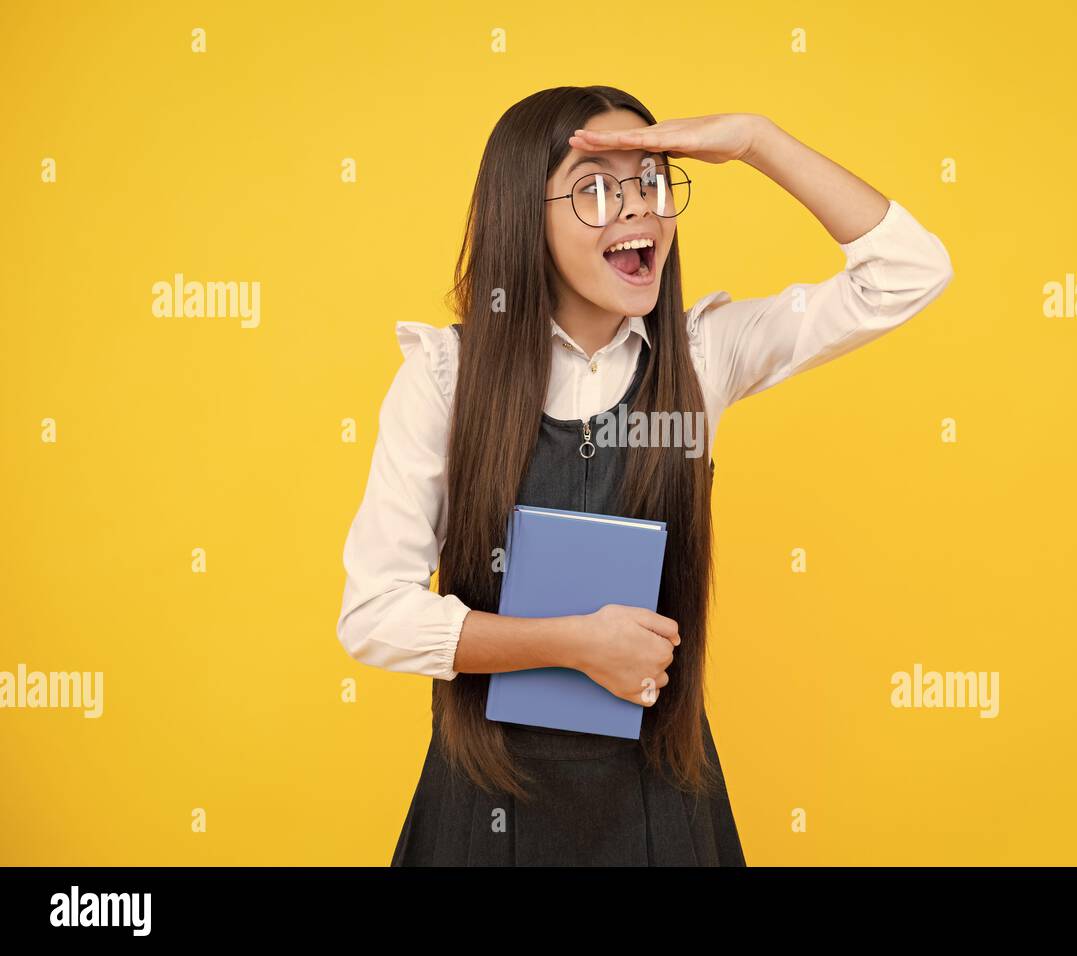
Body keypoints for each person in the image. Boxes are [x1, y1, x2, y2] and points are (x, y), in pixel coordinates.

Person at [336, 85, 954, 865]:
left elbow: (908, 271)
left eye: (652, 182)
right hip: (485, 809)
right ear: (526, 218)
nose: (637, 210)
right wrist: (571, 643)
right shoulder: (446, 379)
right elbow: (373, 616)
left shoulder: (702, 357)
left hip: (659, 805)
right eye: (595, 189)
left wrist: (758, 141)